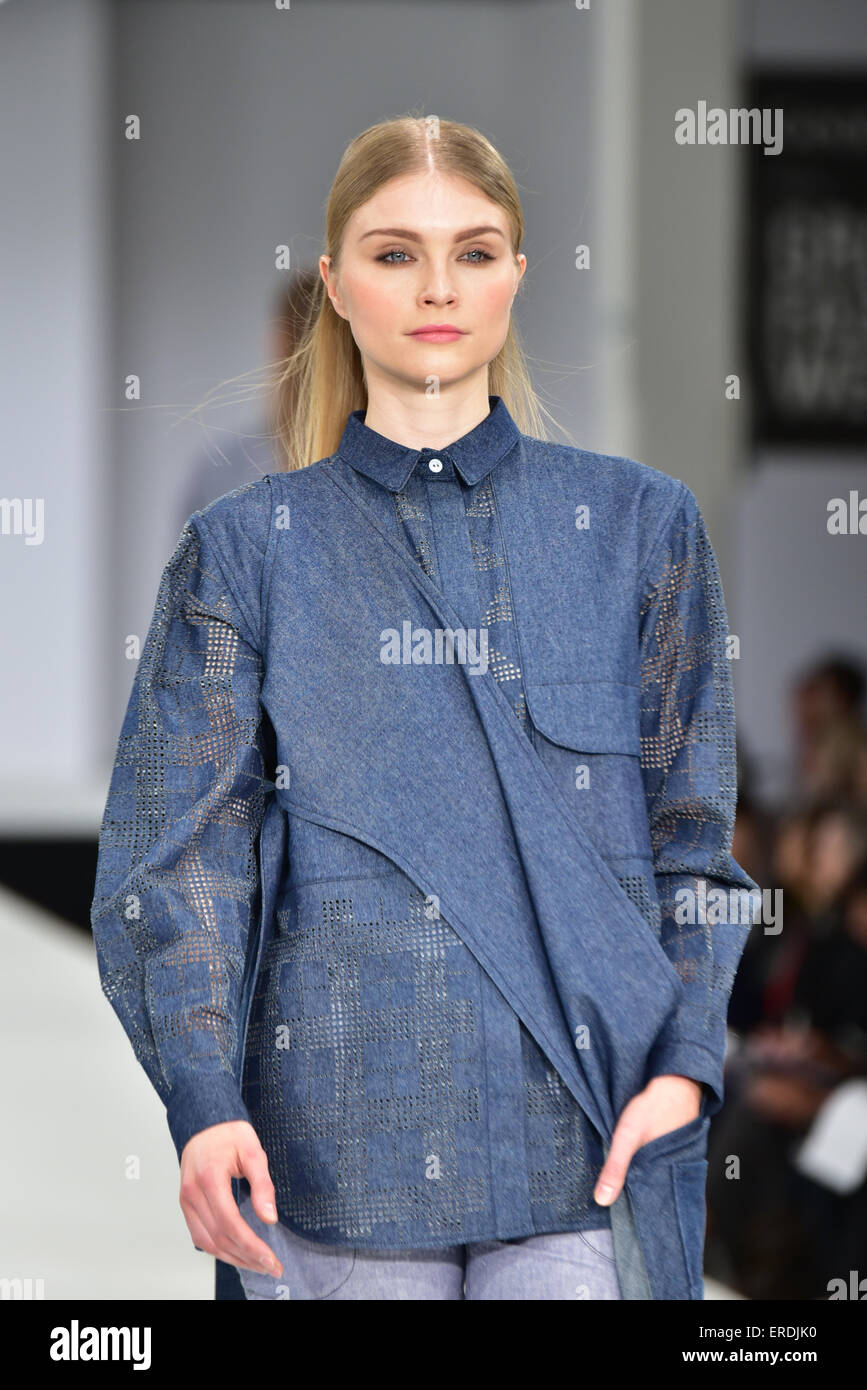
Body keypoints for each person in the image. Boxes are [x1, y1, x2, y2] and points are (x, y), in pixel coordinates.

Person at [90, 113, 759, 1300]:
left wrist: (688, 1068)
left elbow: (696, 850)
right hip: (326, 1169)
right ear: (336, 284)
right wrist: (200, 1101)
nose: (438, 285)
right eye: (395, 252)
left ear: (517, 275)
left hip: (588, 1153)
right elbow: (177, 864)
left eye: (476, 249)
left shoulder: (641, 531)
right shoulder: (245, 553)